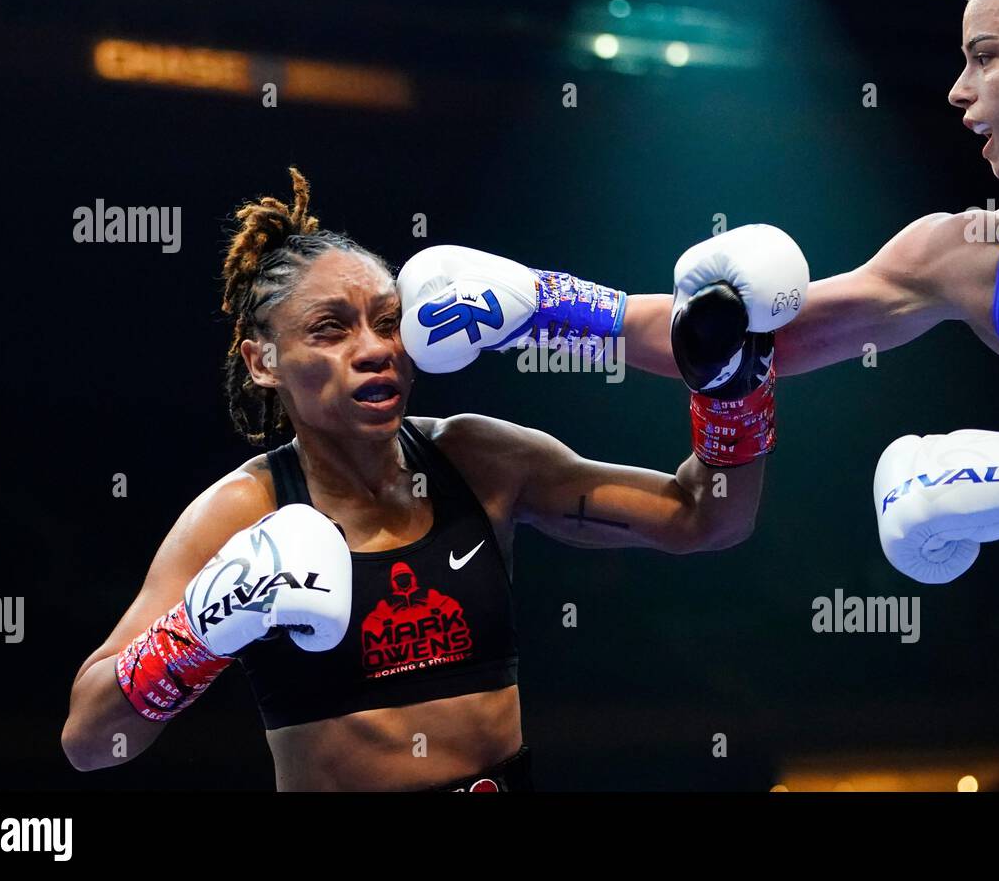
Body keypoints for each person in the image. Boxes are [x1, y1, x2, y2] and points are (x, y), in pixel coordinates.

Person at [439, 0, 999, 790]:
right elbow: (729, 340)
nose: (958, 90)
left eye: (985, 56)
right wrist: (542, 304)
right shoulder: (971, 253)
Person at [60, 168, 808, 791]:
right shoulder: (243, 510)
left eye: (388, 322)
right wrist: (198, 632)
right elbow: (90, 742)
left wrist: (732, 391)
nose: (374, 349)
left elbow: (707, 519)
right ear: (264, 362)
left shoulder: (479, 460)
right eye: (331, 328)